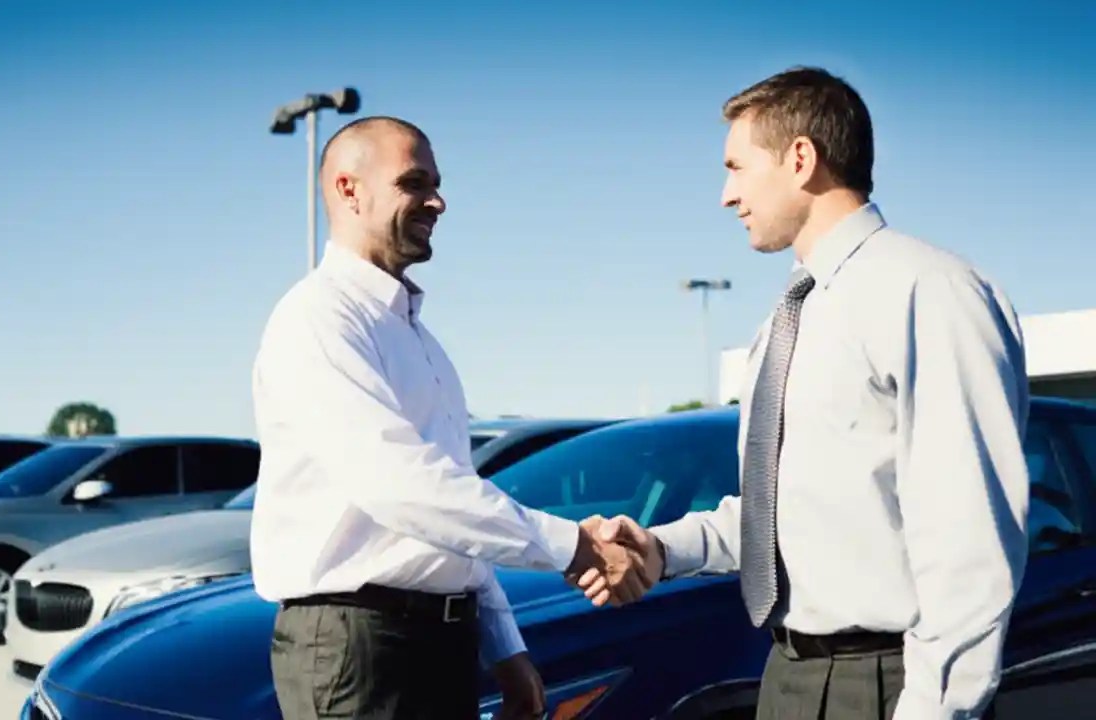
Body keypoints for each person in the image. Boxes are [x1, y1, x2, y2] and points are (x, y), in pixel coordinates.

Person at [579, 67, 1030, 719]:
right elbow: (779, 513)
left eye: (736, 167)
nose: (726, 195)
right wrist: (659, 549)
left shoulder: (929, 293)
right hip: (785, 675)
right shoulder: (789, 318)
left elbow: (971, 539)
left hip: (891, 685)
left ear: (800, 159)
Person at [249, 116, 658, 720]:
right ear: (347, 188)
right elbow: (404, 489)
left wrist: (505, 647)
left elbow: (451, 505)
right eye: (414, 183)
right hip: (359, 652)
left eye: (436, 184)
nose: (437, 201)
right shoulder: (318, 320)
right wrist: (574, 546)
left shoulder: (422, 342)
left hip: (438, 646)